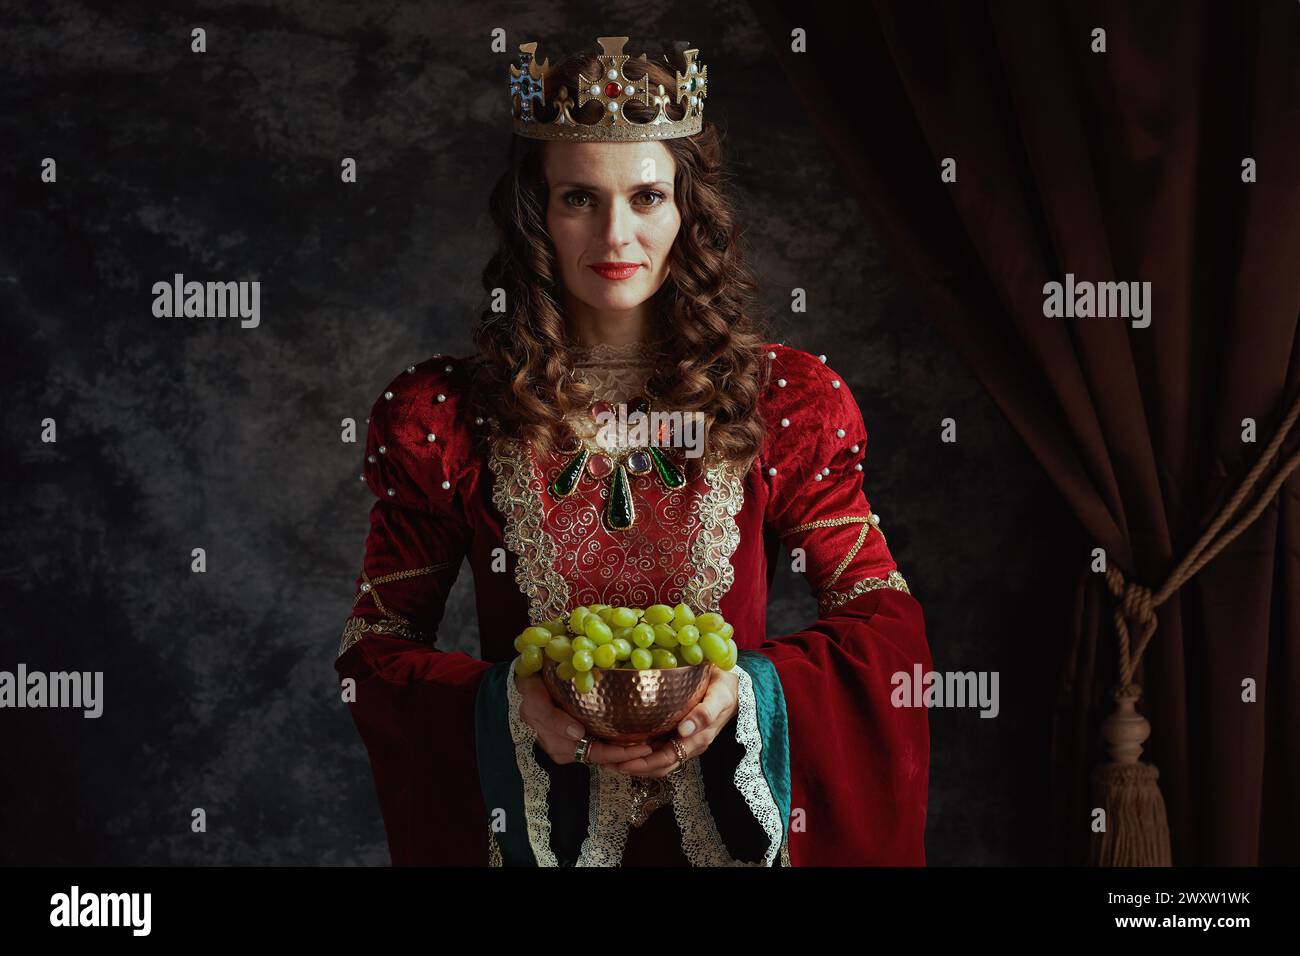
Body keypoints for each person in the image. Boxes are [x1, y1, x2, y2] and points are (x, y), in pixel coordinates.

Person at [335, 36, 931, 866]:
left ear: (689, 209)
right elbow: (377, 649)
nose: (617, 235)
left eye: (647, 197)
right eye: (580, 197)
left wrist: (745, 693)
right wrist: (511, 703)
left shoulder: (783, 403)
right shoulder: (447, 416)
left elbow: (884, 626)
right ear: (535, 211)